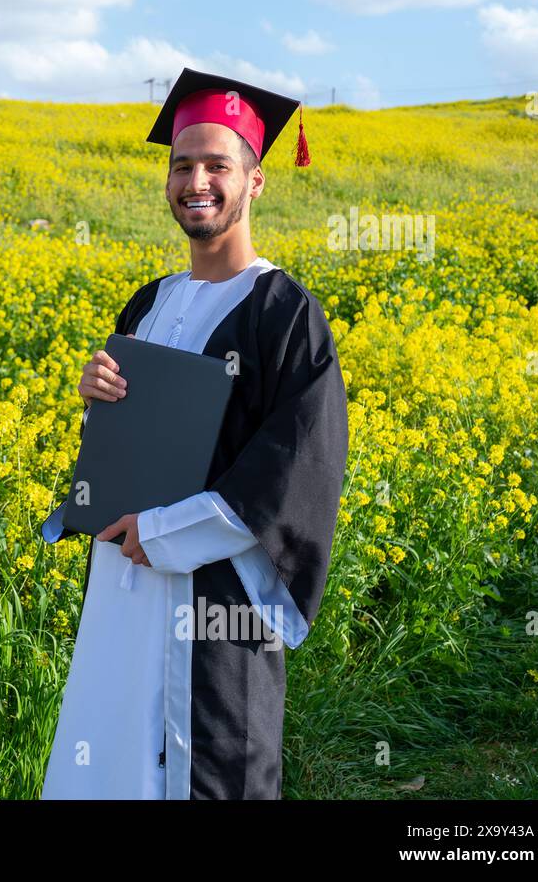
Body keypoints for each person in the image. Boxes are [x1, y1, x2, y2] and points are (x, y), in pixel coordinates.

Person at [39, 67, 349, 799]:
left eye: (217, 165)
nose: (196, 181)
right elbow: (127, 439)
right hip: (123, 578)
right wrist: (97, 400)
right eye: (183, 165)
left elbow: (297, 461)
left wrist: (169, 532)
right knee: (109, 752)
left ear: (255, 182)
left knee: (204, 769)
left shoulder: (283, 311)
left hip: (213, 596)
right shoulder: (151, 301)